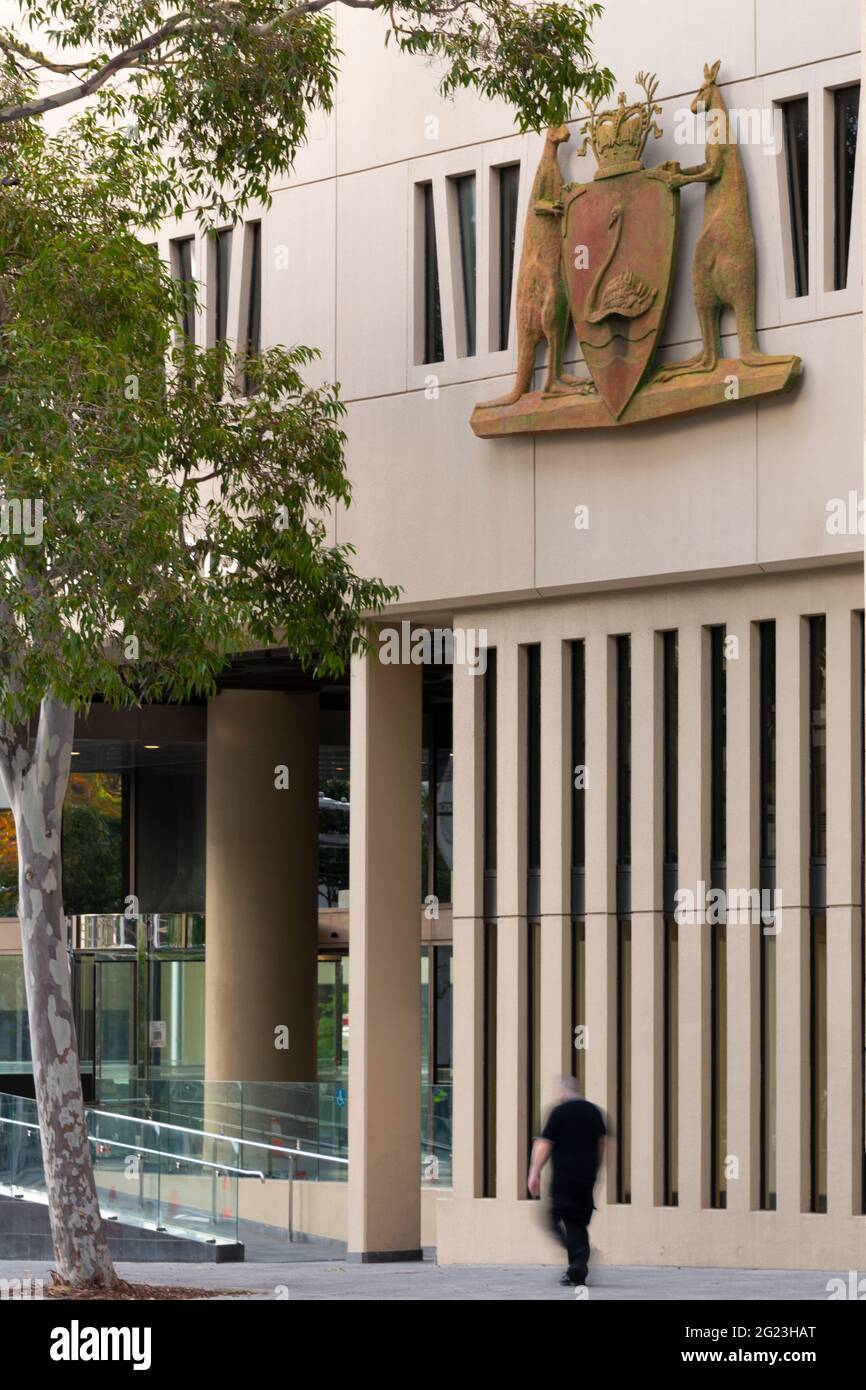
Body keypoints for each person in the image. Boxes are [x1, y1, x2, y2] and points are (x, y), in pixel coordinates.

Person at [528, 1076, 607, 1287]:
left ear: (563, 1091)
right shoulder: (594, 1112)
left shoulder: (559, 1112)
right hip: (586, 1177)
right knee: (577, 1222)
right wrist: (595, 1170)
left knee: (553, 1218)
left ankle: (578, 1257)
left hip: (564, 1176)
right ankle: (577, 1269)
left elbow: (545, 1144)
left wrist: (534, 1173)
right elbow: (601, 1144)